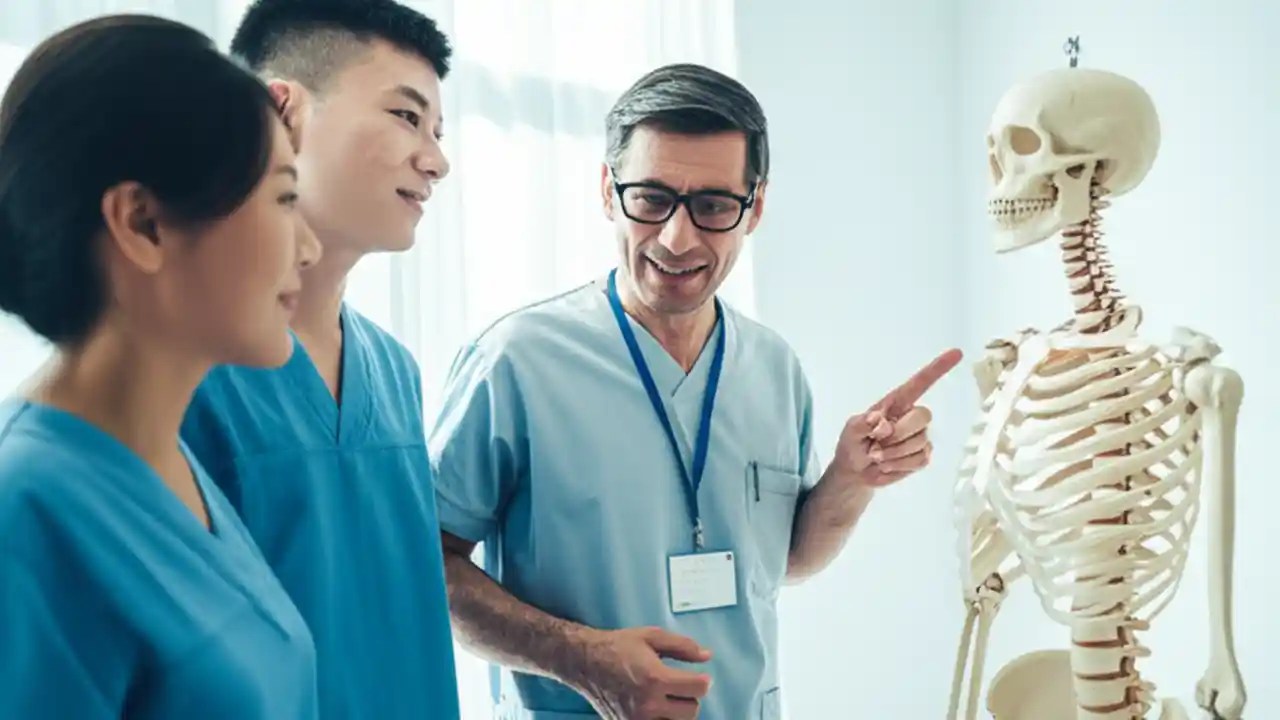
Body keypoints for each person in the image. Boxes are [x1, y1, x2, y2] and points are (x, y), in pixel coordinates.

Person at [428, 62, 964, 719]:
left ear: (754, 208)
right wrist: (582, 658)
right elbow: (425, 561)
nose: (677, 239)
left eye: (712, 207)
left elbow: (786, 559)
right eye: (651, 199)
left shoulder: (773, 368)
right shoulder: (517, 361)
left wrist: (852, 478)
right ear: (607, 190)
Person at [0, 13, 322, 719]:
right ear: (143, 223)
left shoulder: (165, 462)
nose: (309, 248)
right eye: (286, 197)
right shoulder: (25, 514)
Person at [178, 1, 460, 717]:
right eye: (405, 116)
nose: (435, 159)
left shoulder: (394, 373)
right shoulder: (182, 372)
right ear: (282, 111)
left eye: (437, 131)